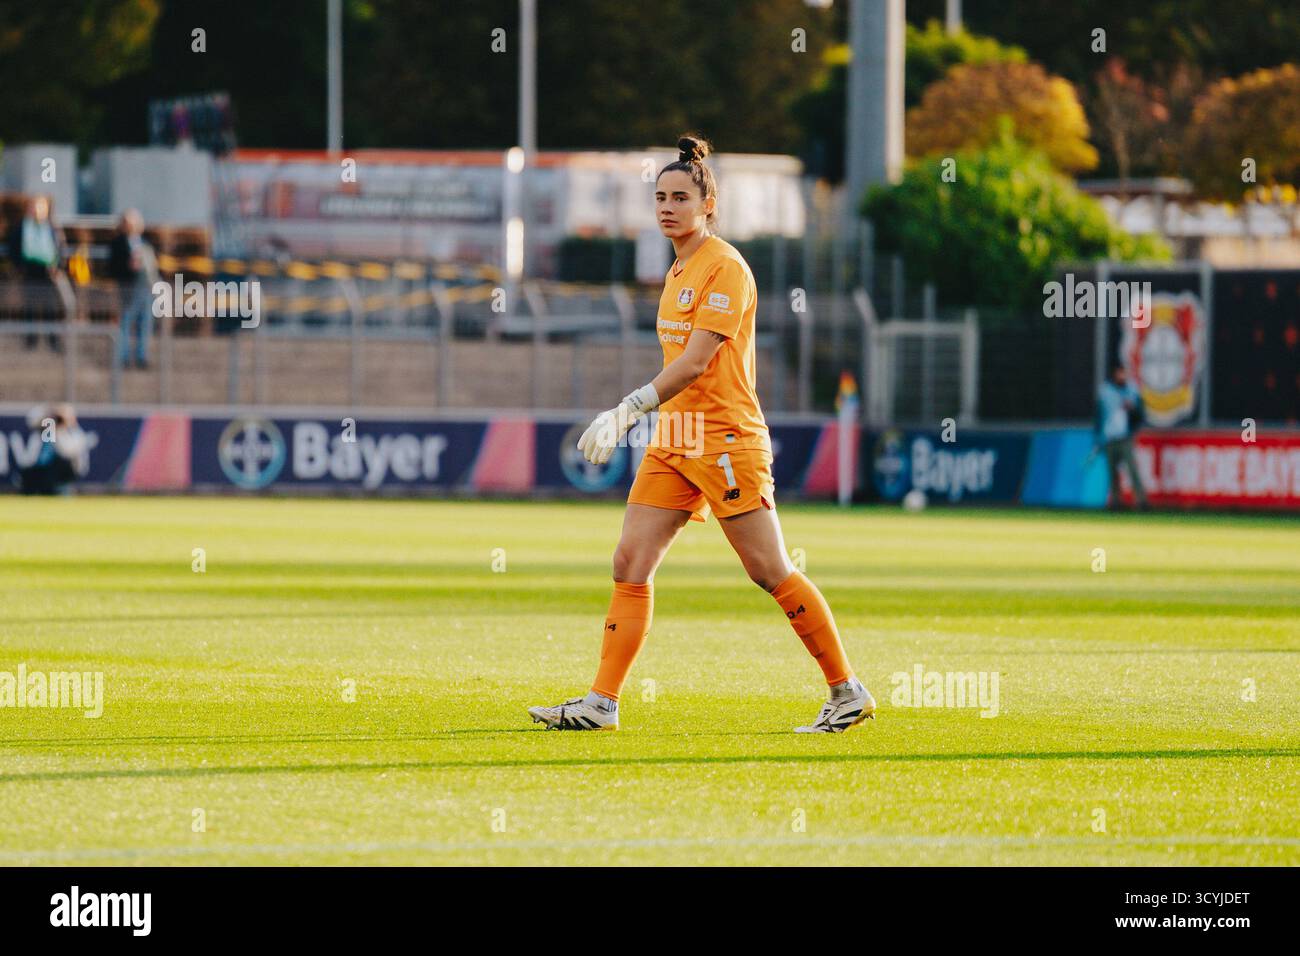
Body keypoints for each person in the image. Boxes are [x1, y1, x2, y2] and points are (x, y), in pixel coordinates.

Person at [527, 135, 874, 733]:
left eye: (680, 197)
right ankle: (601, 704)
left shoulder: (726, 267)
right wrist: (649, 416)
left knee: (769, 569)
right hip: (676, 437)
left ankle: (847, 690)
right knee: (630, 561)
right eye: (660, 197)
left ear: (707, 205)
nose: (667, 207)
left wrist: (629, 407)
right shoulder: (679, 267)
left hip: (723, 438)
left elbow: (696, 362)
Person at [6, 195, 65, 351]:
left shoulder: (52, 228)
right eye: (35, 207)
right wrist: (19, 267)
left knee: (50, 309)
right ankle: (30, 341)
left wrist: (58, 266)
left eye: (41, 207)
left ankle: (53, 341)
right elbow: (12, 250)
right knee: (29, 308)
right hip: (29, 274)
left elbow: (59, 249)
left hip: (48, 275)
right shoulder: (20, 228)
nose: (38, 211)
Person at [108, 208, 158, 368]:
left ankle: (142, 356)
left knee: (145, 323)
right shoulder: (117, 243)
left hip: (145, 288)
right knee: (126, 322)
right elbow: (112, 268)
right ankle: (123, 357)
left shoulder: (145, 243)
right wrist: (128, 266)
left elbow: (153, 266)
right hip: (128, 289)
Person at [1095, 364, 1149, 509]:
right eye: (1120, 373)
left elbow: (1141, 415)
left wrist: (1133, 410)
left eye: (1124, 374)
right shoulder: (1106, 392)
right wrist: (1097, 437)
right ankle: (1115, 502)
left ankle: (1141, 501)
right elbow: (1099, 416)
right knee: (1112, 472)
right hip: (1109, 438)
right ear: (1114, 374)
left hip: (1125, 437)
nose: (1122, 376)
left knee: (1132, 469)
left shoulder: (1132, 391)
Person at [17, 403, 90, 495]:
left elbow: (67, 451)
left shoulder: (75, 433)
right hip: (43, 470)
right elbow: (29, 459)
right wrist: (47, 418)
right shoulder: (41, 433)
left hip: (66, 469)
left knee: (58, 463)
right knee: (30, 473)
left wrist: (60, 429)